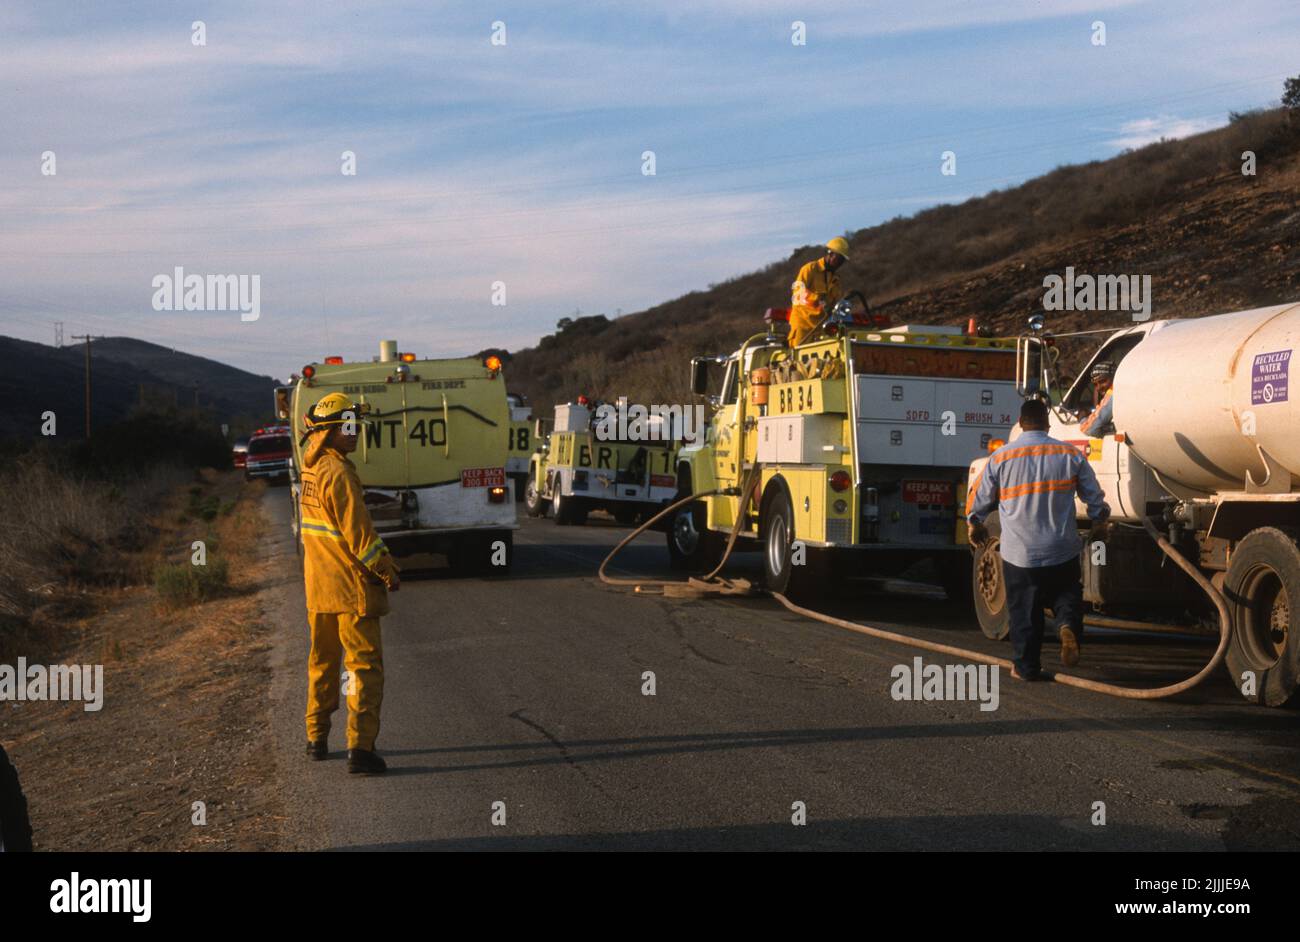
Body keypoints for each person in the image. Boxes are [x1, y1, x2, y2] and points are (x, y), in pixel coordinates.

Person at [967, 399, 1110, 680]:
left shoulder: (1001, 458)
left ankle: (1026, 667)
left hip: (1020, 552)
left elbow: (980, 500)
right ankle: (1067, 625)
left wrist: (974, 523)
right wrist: (1099, 520)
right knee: (1066, 594)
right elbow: (1094, 496)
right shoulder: (1069, 454)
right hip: (1061, 547)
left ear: (1020, 424)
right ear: (1047, 423)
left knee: (1025, 609)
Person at [298, 392, 401, 774]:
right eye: (348, 426)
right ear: (328, 432)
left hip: (318, 589)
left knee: (322, 665)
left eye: (355, 424)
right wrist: (387, 571)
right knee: (363, 671)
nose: (355, 431)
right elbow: (361, 538)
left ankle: (316, 739)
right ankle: (360, 750)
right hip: (349, 591)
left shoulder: (310, 470)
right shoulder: (339, 474)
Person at [788, 237, 850, 347]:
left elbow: (835, 302)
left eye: (842, 261)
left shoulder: (835, 280)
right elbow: (798, 293)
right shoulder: (810, 269)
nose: (840, 263)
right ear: (830, 254)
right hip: (803, 326)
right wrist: (818, 300)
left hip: (822, 328)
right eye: (839, 259)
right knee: (798, 360)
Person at [1079, 361, 1115, 437]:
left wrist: (1082, 418)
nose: (1098, 388)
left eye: (1102, 381)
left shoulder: (1113, 392)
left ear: (1114, 378)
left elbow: (1091, 429)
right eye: (1095, 384)